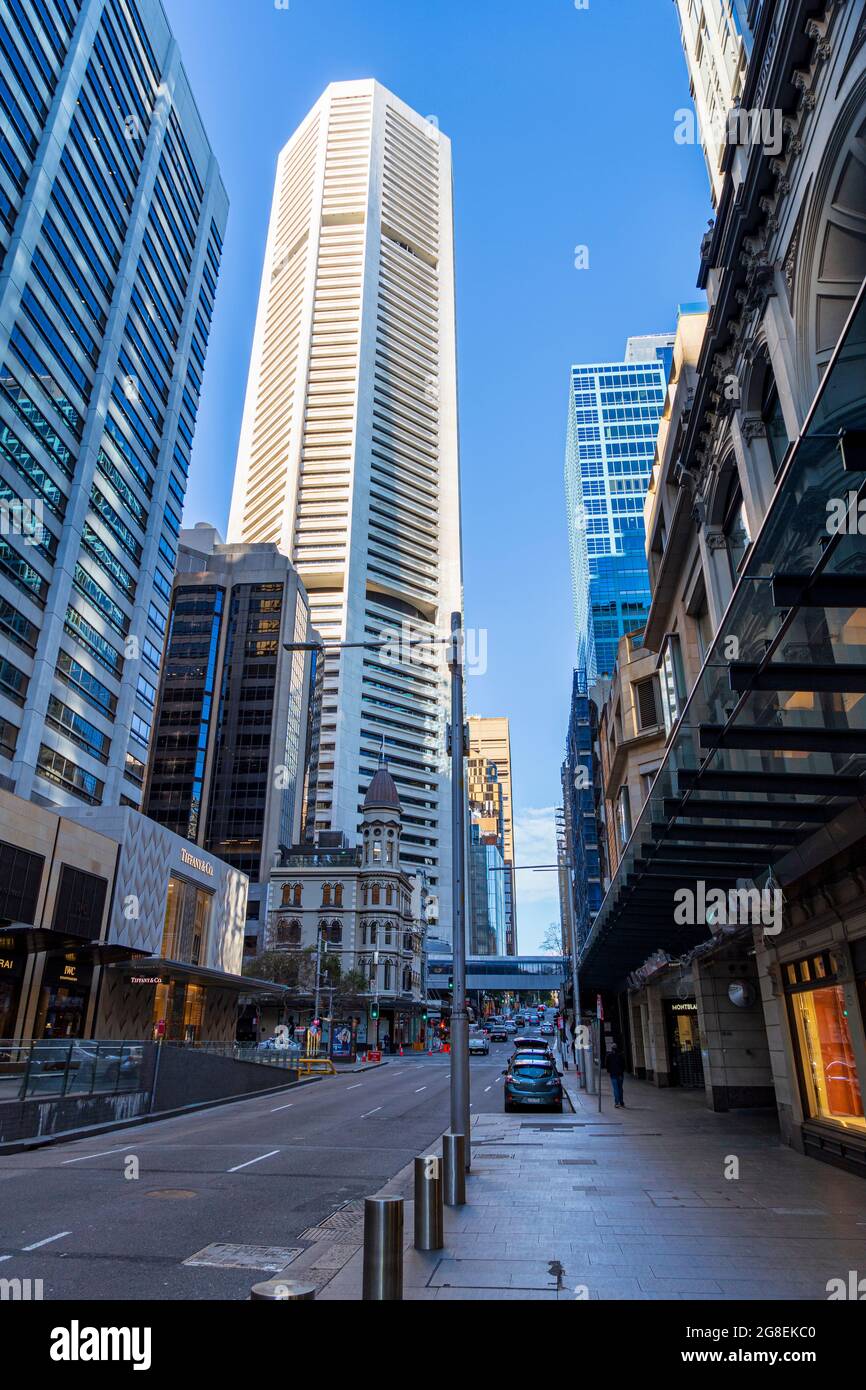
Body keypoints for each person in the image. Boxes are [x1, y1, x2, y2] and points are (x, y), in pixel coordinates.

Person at [605, 1043, 626, 1108]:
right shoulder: (621, 1055)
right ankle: (621, 1102)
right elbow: (624, 1065)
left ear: (611, 1049)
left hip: (613, 1074)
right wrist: (622, 1071)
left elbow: (607, 1065)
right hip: (620, 1074)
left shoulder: (609, 1056)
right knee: (620, 1088)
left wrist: (609, 1071)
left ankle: (617, 1103)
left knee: (615, 1089)